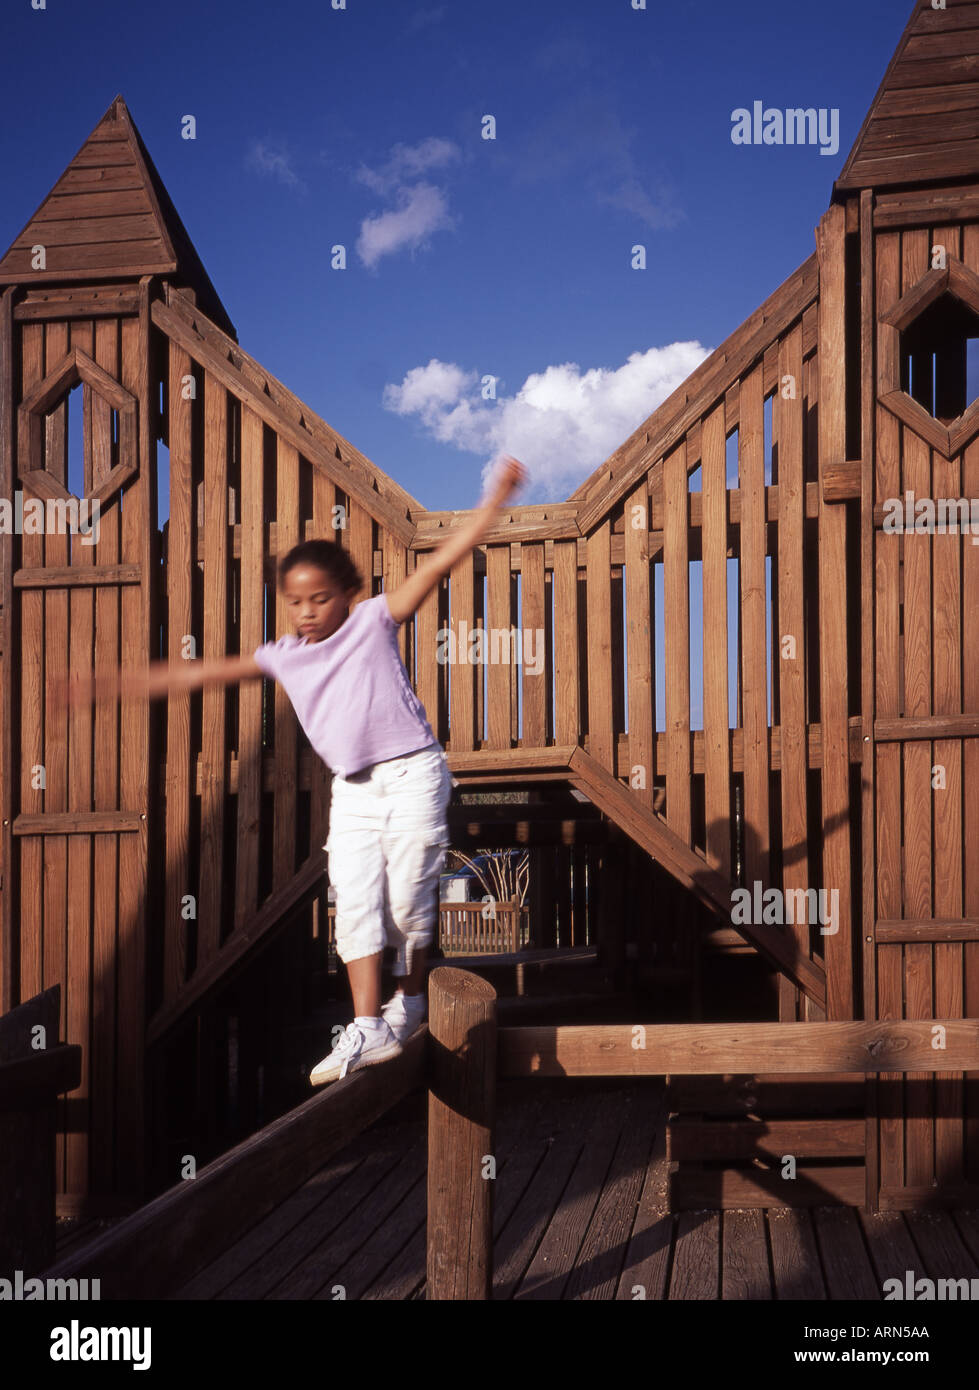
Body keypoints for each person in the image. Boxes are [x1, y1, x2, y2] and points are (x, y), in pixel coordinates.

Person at [63, 453, 528, 1085]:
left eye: (320, 598)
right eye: (294, 602)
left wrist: (493, 498)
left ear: (347, 596)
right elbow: (199, 673)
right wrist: (113, 684)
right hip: (355, 790)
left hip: (413, 773)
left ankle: (410, 1003)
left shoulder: (373, 621)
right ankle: (366, 1027)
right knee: (356, 896)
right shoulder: (284, 656)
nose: (306, 612)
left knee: (409, 899)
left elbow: (443, 562)